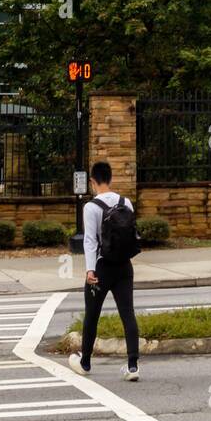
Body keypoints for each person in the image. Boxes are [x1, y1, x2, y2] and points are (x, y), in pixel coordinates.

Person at [69, 160, 140, 381]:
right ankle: (132, 366)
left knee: (92, 314)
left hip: (101, 268)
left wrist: (90, 270)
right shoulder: (125, 201)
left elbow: (90, 241)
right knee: (128, 313)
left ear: (92, 181)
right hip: (124, 266)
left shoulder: (90, 207)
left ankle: (86, 362)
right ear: (110, 179)